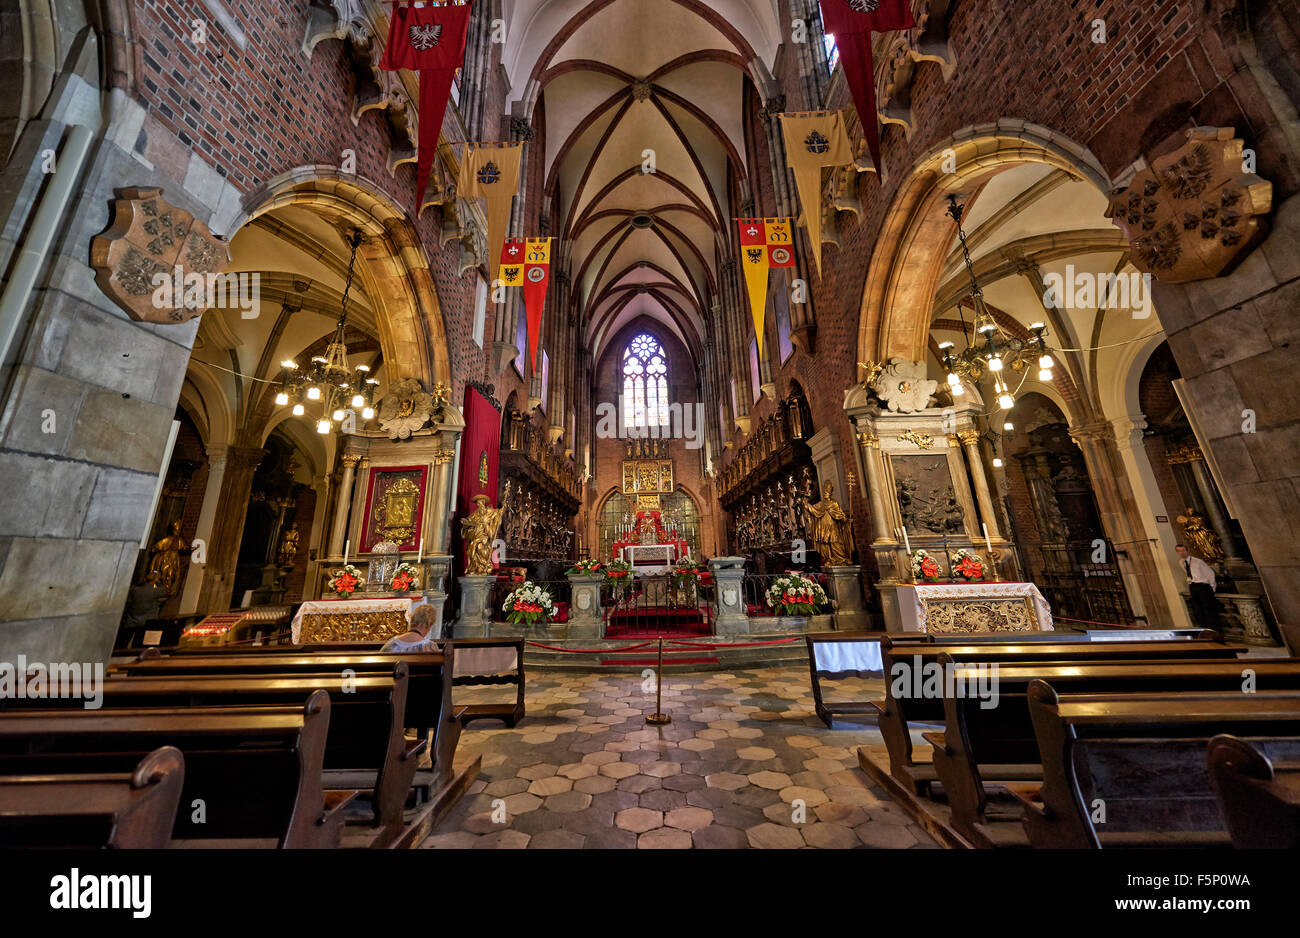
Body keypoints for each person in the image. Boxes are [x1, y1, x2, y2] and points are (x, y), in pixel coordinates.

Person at [1176, 544, 1220, 631]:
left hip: (1203, 586)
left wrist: (1212, 588)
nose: (1182, 553)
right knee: (1198, 610)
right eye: (1179, 551)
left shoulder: (1198, 561)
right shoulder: (1181, 562)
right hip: (1193, 586)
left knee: (1209, 610)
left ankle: (1215, 631)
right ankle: (1204, 630)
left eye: (1183, 550)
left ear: (1187, 551)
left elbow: (1210, 574)